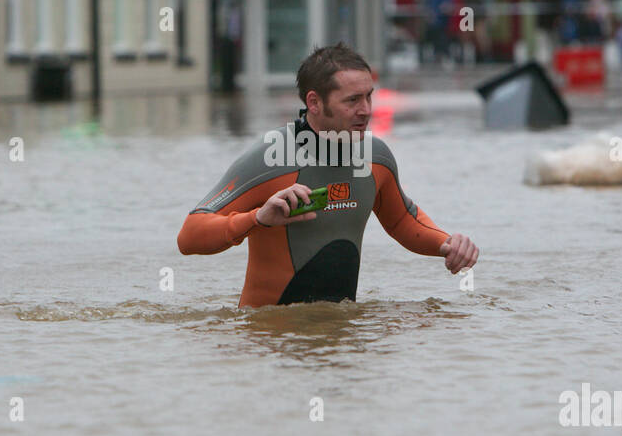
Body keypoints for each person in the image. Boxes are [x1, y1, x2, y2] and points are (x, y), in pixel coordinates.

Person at [177, 44, 480, 307]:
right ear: (314, 102)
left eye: (368, 97)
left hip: (340, 335)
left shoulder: (376, 158)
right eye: (352, 100)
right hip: (271, 342)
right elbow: (189, 236)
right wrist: (257, 219)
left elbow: (402, 220)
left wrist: (446, 244)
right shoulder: (272, 157)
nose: (365, 110)